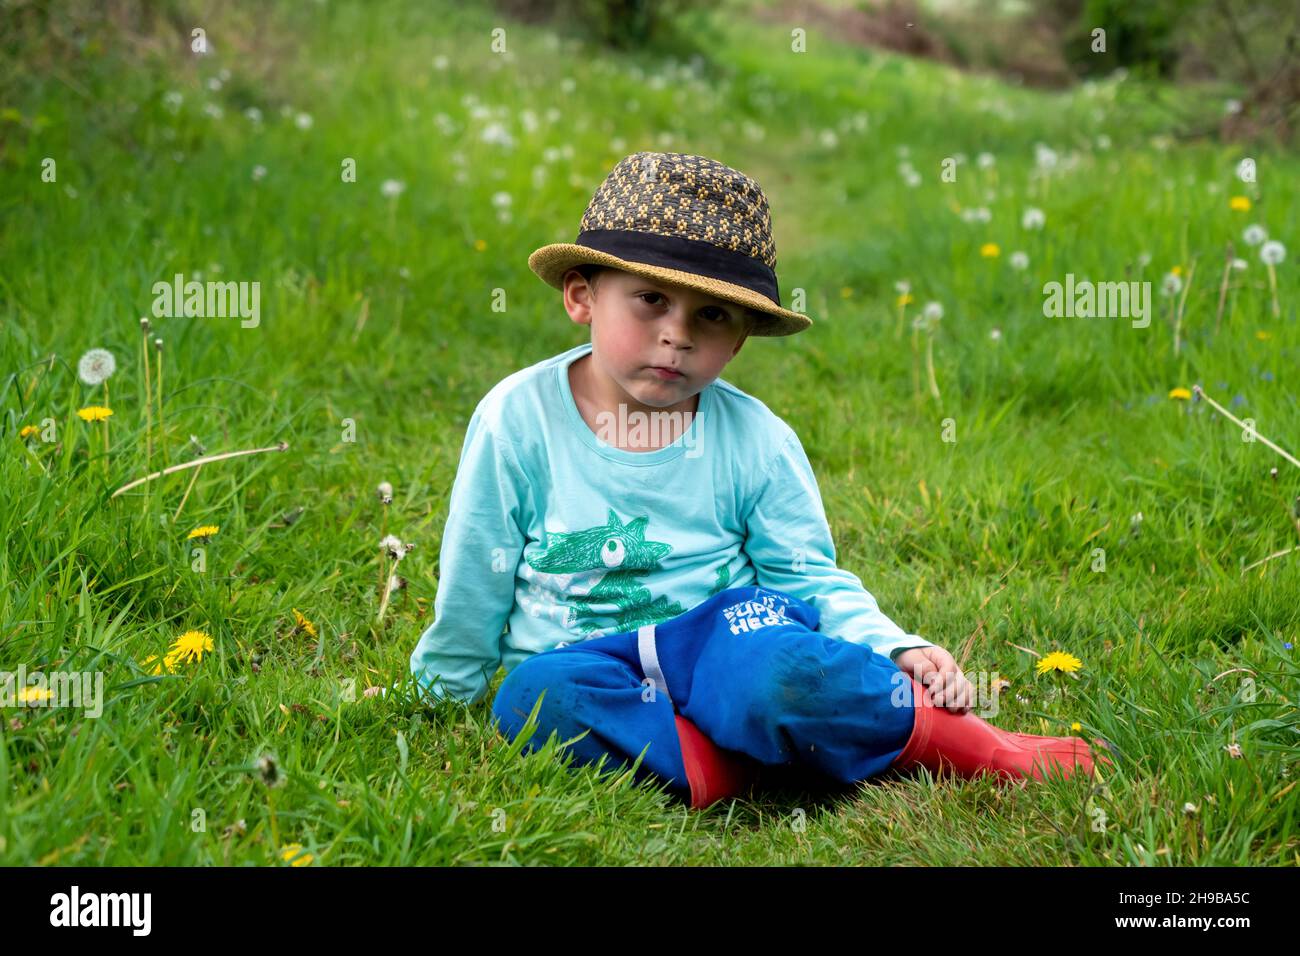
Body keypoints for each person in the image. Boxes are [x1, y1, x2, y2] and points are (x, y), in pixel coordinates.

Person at [409, 151, 1112, 808]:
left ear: (739, 339)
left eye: (710, 316)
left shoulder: (757, 441)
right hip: (588, 661)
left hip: (722, 645)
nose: (677, 334)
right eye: (650, 300)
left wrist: (893, 643)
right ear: (581, 296)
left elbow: (808, 578)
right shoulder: (516, 420)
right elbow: (478, 567)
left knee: (775, 670)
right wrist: (441, 690)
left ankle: (957, 739)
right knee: (533, 698)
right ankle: (734, 764)